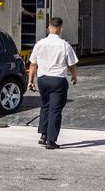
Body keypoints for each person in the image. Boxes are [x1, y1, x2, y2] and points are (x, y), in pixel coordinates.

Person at [27, 16, 78, 149]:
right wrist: (74, 77)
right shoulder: (64, 45)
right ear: (61, 29)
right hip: (57, 81)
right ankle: (51, 140)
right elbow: (72, 65)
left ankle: (43, 136)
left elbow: (33, 65)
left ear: (49, 28)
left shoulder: (40, 44)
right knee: (55, 110)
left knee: (45, 106)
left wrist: (30, 81)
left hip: (43, 80)